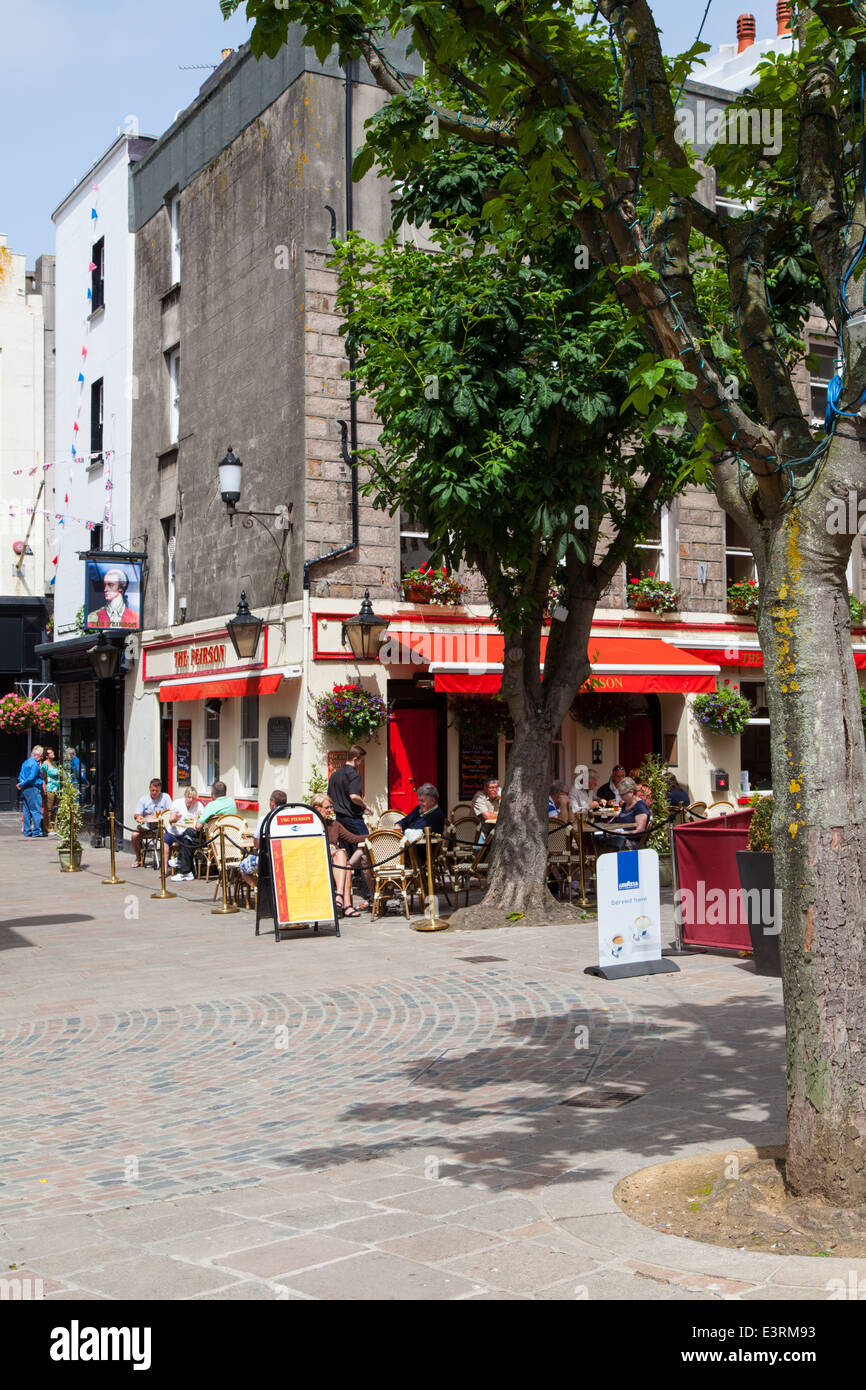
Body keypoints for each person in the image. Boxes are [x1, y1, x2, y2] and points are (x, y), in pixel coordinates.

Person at [310, 792, 373, 916]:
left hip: (337, 862)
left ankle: (342, 899)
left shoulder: (334, 825)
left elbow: (354, 838)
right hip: (319, 862)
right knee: (341, 855)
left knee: (344, 860)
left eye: (330, 807)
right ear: (317, 808)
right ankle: (346, 904)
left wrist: (374, 835)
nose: (330, 810)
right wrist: (329, 849)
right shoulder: (310, 825)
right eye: (327, 807)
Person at [171, 780, 238, 881]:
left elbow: (198, 826)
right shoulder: (232, 802)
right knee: (187, 836)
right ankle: (181, 864)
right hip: (228, 838)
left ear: (212, 794)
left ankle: (184, 869)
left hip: (211, 840)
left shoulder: (212, 805)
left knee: (187, 835)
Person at [238, 789, 288, 895]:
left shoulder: (264, 819)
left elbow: (257, 844)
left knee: (242, 866)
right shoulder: (287, 819)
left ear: (272, 803)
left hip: (266, 860)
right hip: (285, 857)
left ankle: (257, 890)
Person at [328, 746, 374, 837]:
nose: (361, 763)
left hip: (339, 819)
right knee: (365, 844)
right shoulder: (354, 775)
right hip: (353, 818)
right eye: (361, 760)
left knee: (346, 849)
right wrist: (365, 806)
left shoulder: (334, 775)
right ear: (355, 759)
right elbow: (354, 796)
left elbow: (330, 797)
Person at [596, 776, 650, 852]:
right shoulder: (626, 804)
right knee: (596, 838)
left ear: (631, 792)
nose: (621, 797)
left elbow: (640, 831)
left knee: (599, 842)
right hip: (621, 837)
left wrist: (620, 833)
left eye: (622, 795)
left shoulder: (640, 807)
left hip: (631, 842)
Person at [131, 778, 172, 866]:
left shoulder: (165, 797)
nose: (154, 792)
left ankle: (168, 860)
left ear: (160, 789)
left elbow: (170, 812)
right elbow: (136, 814)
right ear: (149, 788)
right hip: (147, 826)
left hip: (162, 827)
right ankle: (138, 857)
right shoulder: (144, 799)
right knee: (134, 835)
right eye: (153, 790)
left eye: (157, 791)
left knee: (172, 835)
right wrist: (138, 817)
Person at [165, 785, 205, 864]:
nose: (191, 800)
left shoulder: (198, 805)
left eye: (193, 798)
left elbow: (203, 817)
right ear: (185, 796)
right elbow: (171, 820)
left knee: (188, 838)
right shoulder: (177, 803)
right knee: (165, 839)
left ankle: (181, 863)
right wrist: (175, 819)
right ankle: (165, 868)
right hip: (175, 832)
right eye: (189, 797)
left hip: (188, 832)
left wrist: (199, 821)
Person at [18, 745, 45, 837]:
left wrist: (21, 784)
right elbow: (31, 777)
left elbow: (21, 776)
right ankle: (36, 832)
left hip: (25, 789)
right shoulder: (35, 764)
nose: (41, 758)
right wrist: (21, 784)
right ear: (37, 755)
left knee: (26, 811)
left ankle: (27, 831)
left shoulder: (25, 763)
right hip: (33, 788)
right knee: (36, 810)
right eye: (41, 756)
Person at [42, 747, 61, 832]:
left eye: (52, 751)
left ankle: (55, 827)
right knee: (48, 809)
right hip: (49, 788)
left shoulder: (54, 764)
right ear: (47, 756)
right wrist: (44, 788)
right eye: (50, 752)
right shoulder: (44, 765)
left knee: (56, 808)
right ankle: (47, 828)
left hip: (57, 789)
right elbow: (43, 778)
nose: (53, 753)